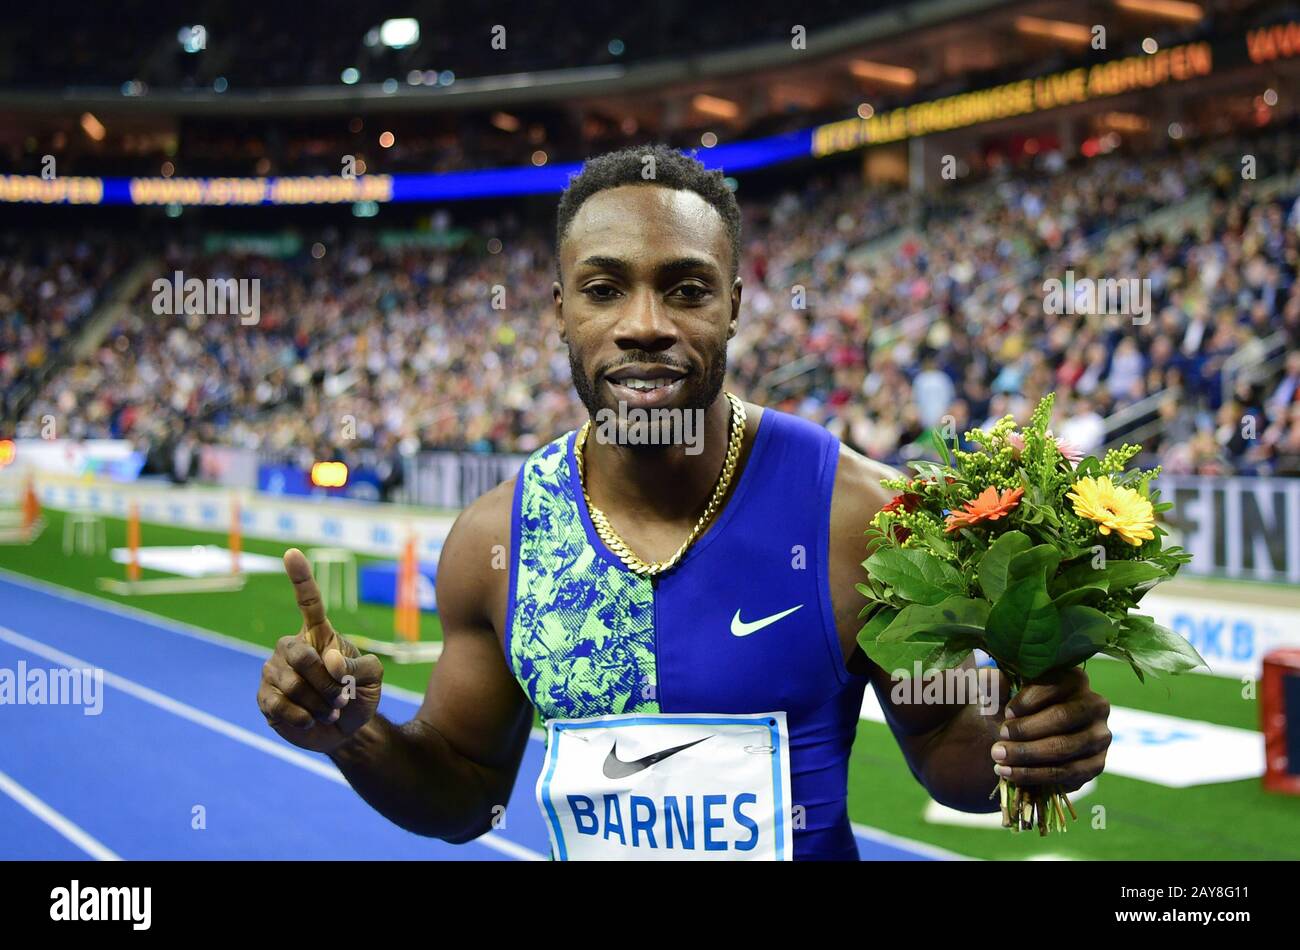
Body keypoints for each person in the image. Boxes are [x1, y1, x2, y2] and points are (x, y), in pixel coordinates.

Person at [256, 145, 1112, 860]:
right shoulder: (497, 542)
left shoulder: (859, 518)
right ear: (559, 313)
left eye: (687, 288)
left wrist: (1028, 741)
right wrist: (350, 736)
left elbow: (946, 755)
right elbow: (462, 796)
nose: (644, 324)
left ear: (733, 306)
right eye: (603, 289)